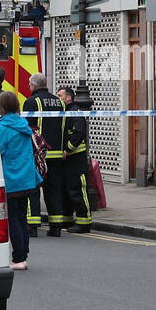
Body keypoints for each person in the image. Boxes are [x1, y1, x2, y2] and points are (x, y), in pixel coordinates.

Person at [0, 90, 40, 271]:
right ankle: (23, 254)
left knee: (13, 219)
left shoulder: (2, 129)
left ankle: (19, 258)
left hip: (11, 179)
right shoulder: (24, 125)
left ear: (1, 107)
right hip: (27, 179)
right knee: (22, 218)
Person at [20, 72, 60, 237]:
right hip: (56, 154)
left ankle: (32, 226)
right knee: (53, 190)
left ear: (34, 86)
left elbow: (28, 129)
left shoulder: (31, 102)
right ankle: (56, 226)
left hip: (38, 154)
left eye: (29, 85)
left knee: (33, 189)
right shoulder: (59, 102)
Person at [56, 86, 92, 234]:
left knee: (77, 189)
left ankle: (84, 223)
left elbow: (79, 133)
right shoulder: (63, 112)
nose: (57, 98)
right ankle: (67, 219)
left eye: (60, 96)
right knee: (66, 190)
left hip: (76, 158)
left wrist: (67, 149)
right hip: (66, 160)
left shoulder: (75, 111)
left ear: (68, 98)